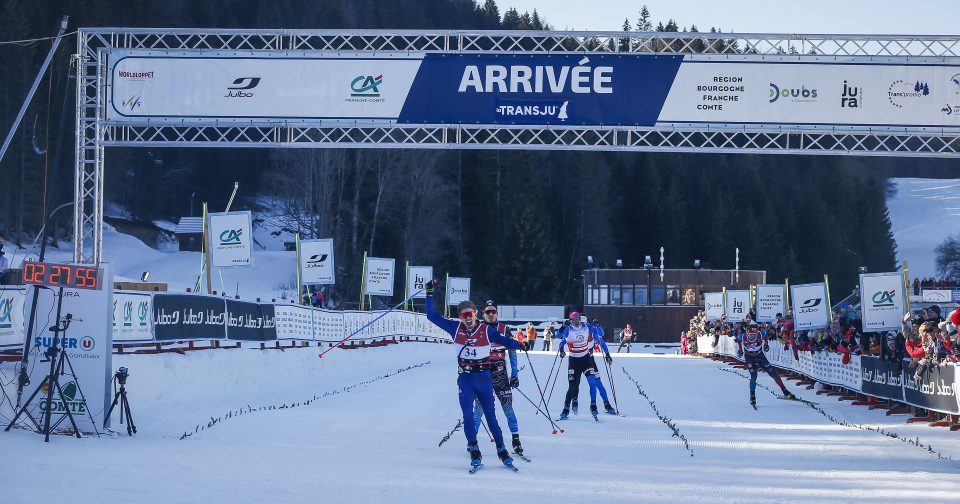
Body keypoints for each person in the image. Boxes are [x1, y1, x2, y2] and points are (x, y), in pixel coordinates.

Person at [424, 280, 527, 469]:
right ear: (460, 317)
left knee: (491, 416)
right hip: (466, 379)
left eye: (470, 314)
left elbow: (507, 341)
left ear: (475, 314)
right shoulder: (454, 328)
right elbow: (431, 316)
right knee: (468, 416)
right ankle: (474, 448)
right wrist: (429, 293)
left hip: (484, 378)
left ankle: (502, 450)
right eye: (464, 316)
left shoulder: (486, 330)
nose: (468, 319)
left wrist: (521, 344)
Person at [471, 300, 524, 456]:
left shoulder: (504, 329)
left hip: (501, 376)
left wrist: (515, 374)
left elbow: (513, 352)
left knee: (508, 409)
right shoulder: (477, 329)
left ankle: (516, 441)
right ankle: (472, 443)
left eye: (493, 311)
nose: (491, 314)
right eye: (488, 312)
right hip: (483, 376)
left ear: (497, 314)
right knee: (479, 410)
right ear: (483, 314)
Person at [555, 311, 615, 419]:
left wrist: (607, 355)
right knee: (573, 385)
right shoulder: (570, 329)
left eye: (579, 319)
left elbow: (601, 338)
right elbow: (560, 338)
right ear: (572, 320)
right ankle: (571, 404)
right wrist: (561, 349)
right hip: (575, 360)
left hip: (588, 360)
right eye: (575, 320)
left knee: (595, 382)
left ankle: (598, 405)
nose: (578, 321)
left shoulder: (589, 329)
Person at [737, 320, 797, 407]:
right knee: (754, 375)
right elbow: (739, 340)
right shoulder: (742, 336)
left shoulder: (761, 334)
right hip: (749, 357)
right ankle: (752, 395)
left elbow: (766, 334)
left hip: (760, 356)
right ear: (747, 334)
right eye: (751, 335)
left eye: (755, 335)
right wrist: (740, 349)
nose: (753, 337)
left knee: (772, 372)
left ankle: (785, 391)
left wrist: (766, 344)